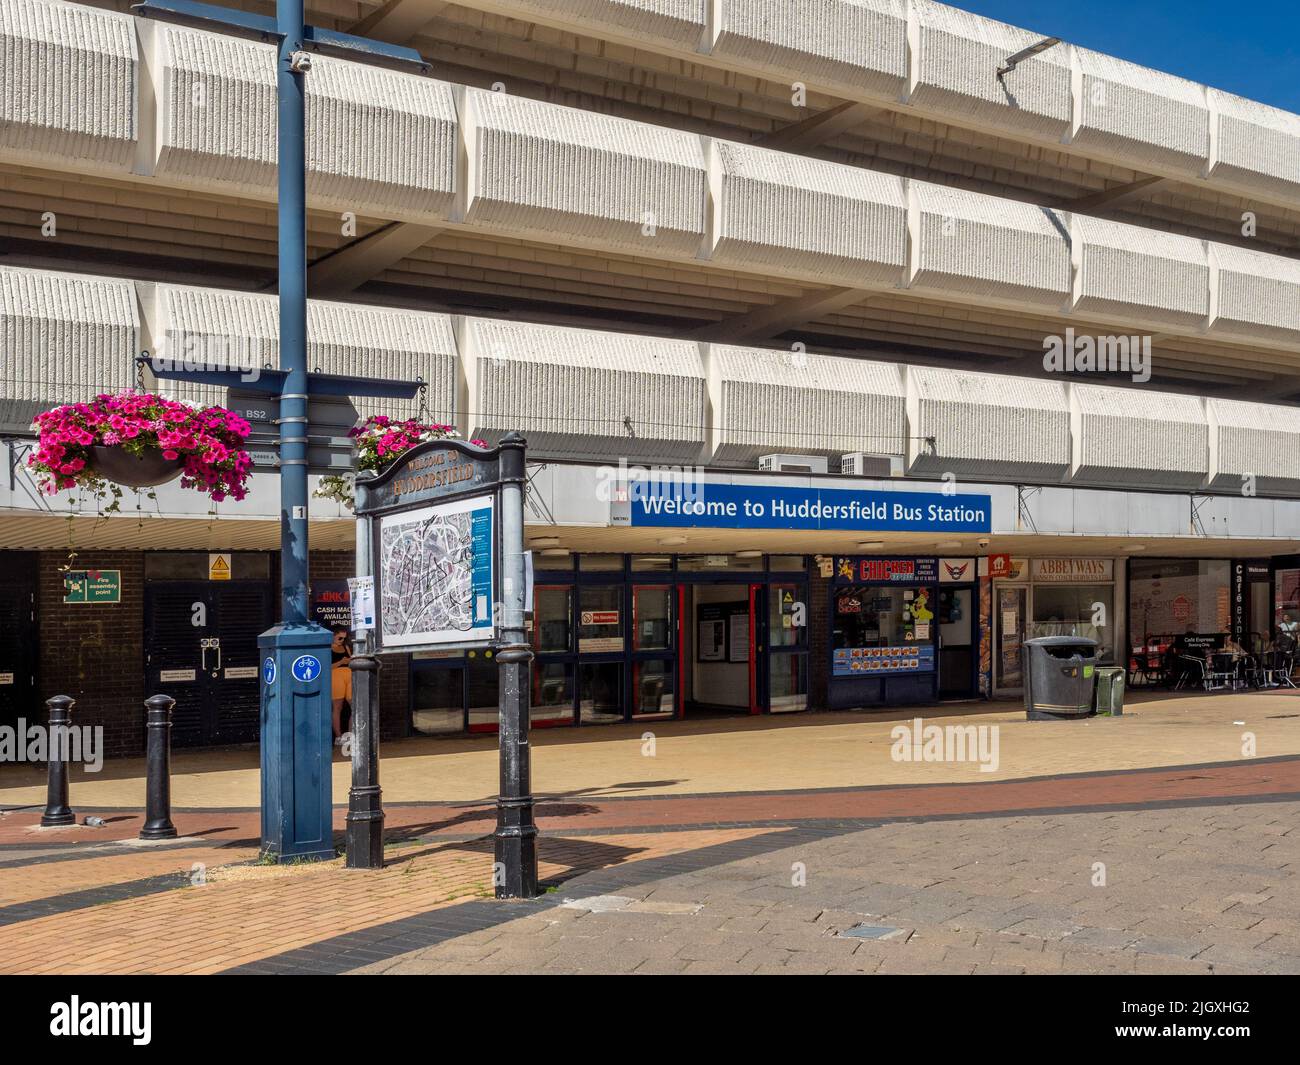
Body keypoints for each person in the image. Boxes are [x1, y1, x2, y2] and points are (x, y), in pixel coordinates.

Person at [330, 624, 352, 745]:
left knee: (354, 705)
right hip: (335, 676)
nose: (342, 640)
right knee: (337, 707)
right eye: (340, 638)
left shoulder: (346, 647)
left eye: (344, 638)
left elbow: (351, 660)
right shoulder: (328, 648)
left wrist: (349, 661)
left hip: (349, 675)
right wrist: (341, 662)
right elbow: (326, 667)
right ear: (333, 636)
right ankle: (338, 736)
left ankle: (350, 735)